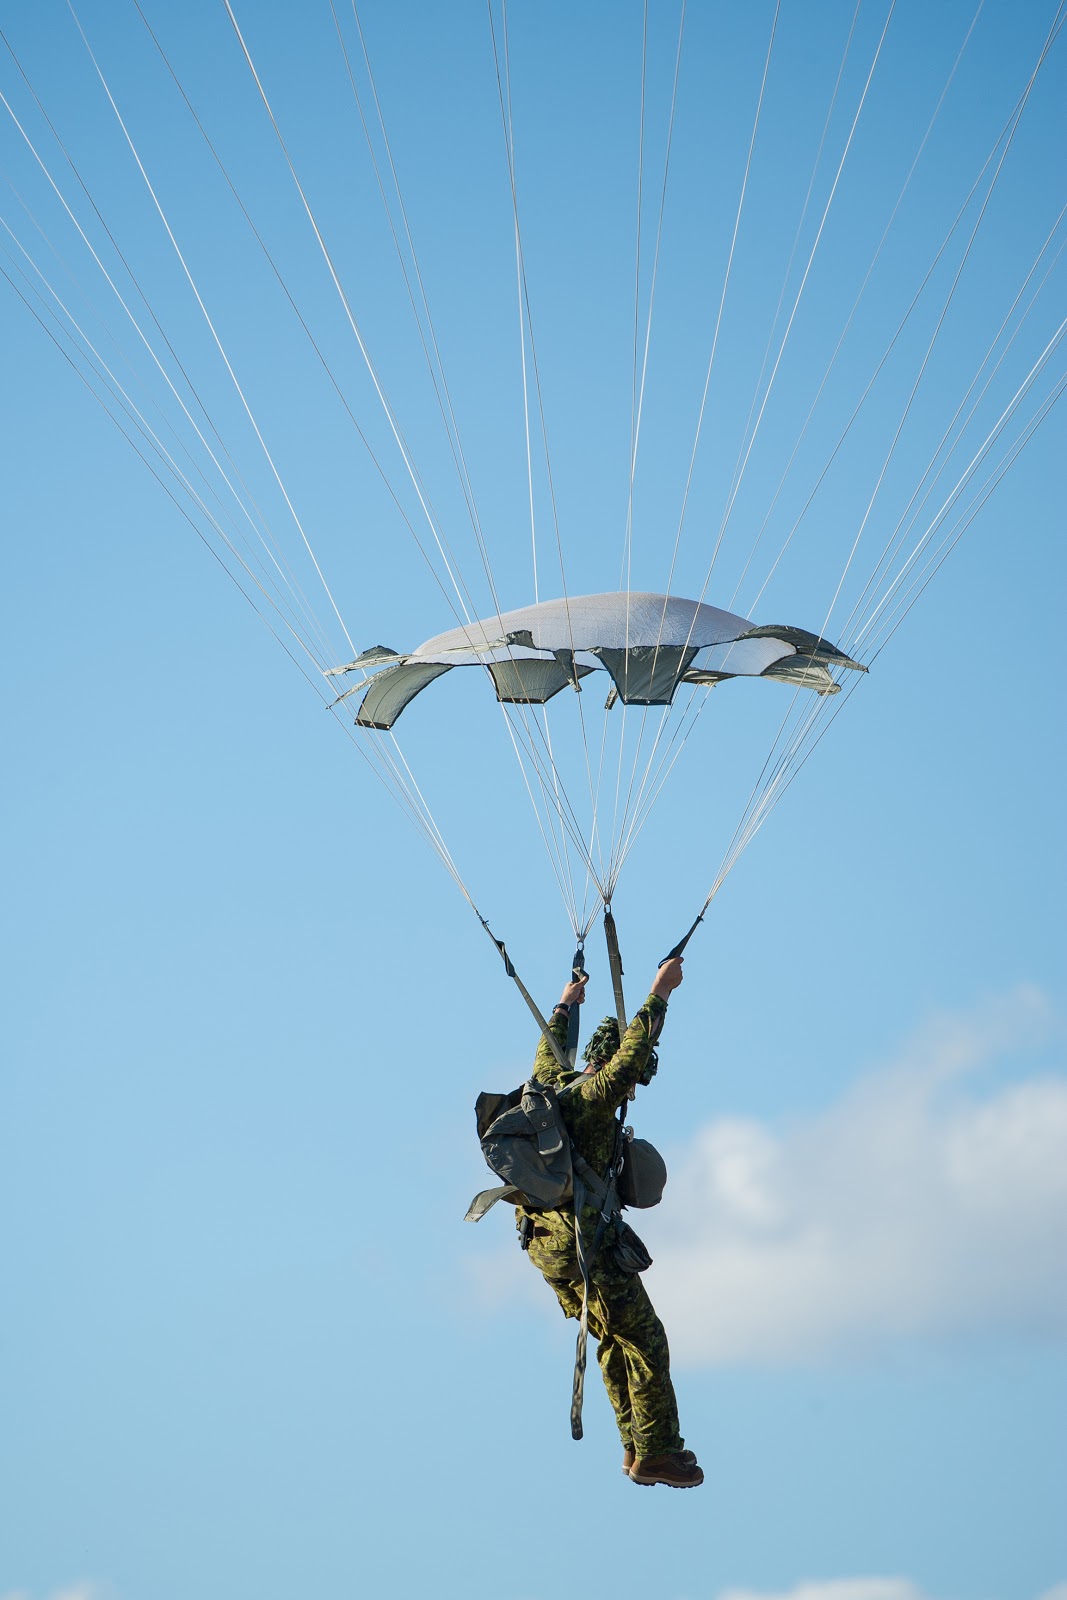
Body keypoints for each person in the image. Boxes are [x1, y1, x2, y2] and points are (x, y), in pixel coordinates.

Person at [518, 954, 702, 1489]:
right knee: (645, 1339)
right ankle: (658, 1451)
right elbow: (631, 1056)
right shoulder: (595, 1098)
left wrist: (564, 1005)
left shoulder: (552, 1085)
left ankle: (635, 1444)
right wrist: (661, 992)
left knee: (615, 1338)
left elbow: (548, 1051)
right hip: (584, 1246)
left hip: (546, 1247)